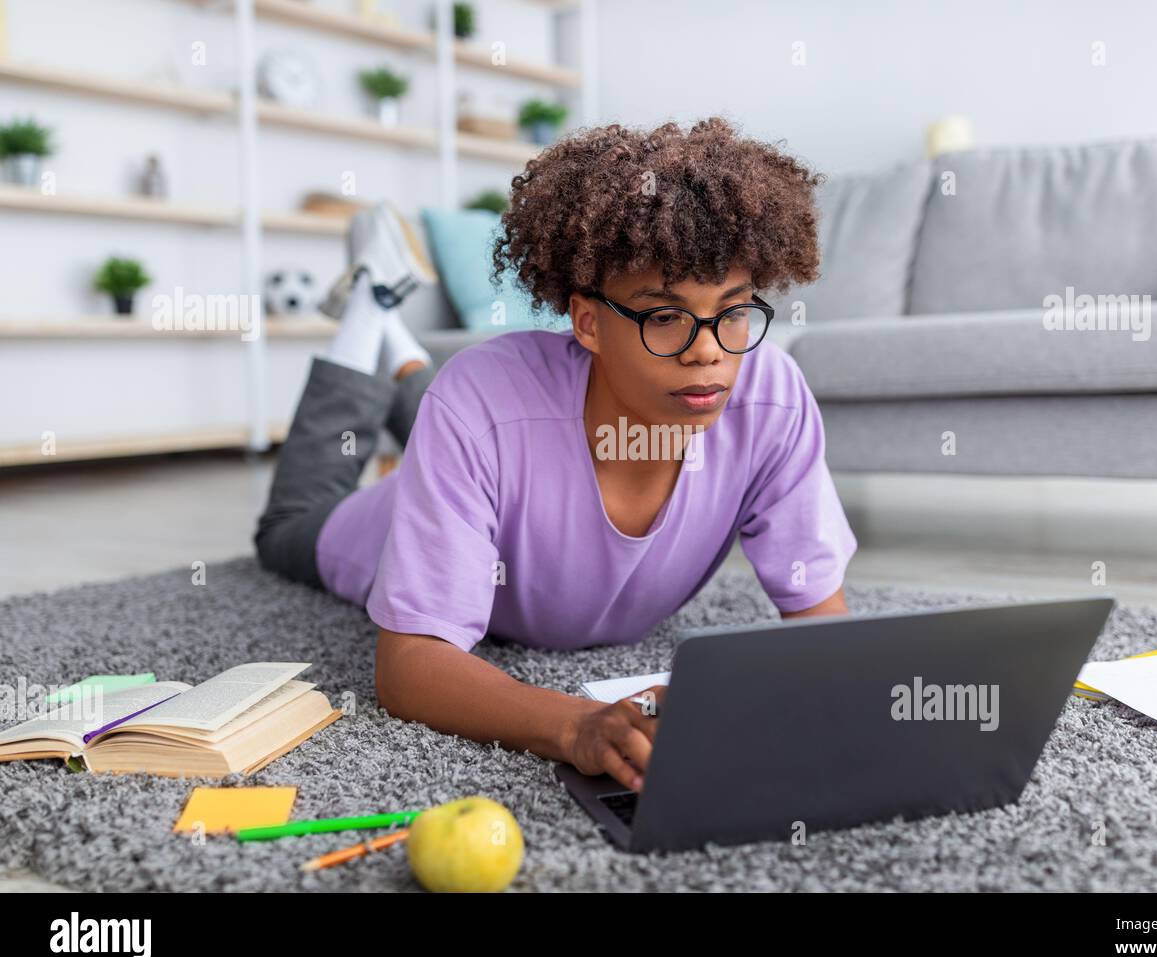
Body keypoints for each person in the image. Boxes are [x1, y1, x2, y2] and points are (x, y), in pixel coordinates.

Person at [255, 117, 858, 792]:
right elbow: (410, 665)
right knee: (285, 524)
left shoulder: (769, 400)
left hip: (493, 432)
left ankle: (396, 345)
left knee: (470, 414)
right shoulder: (479, 403)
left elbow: (821, 628)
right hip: (381, 521)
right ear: (588, 322)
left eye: (734, 311)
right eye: (664, 316)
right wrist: (577, 727)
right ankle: (371, 309)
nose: (708, 350)